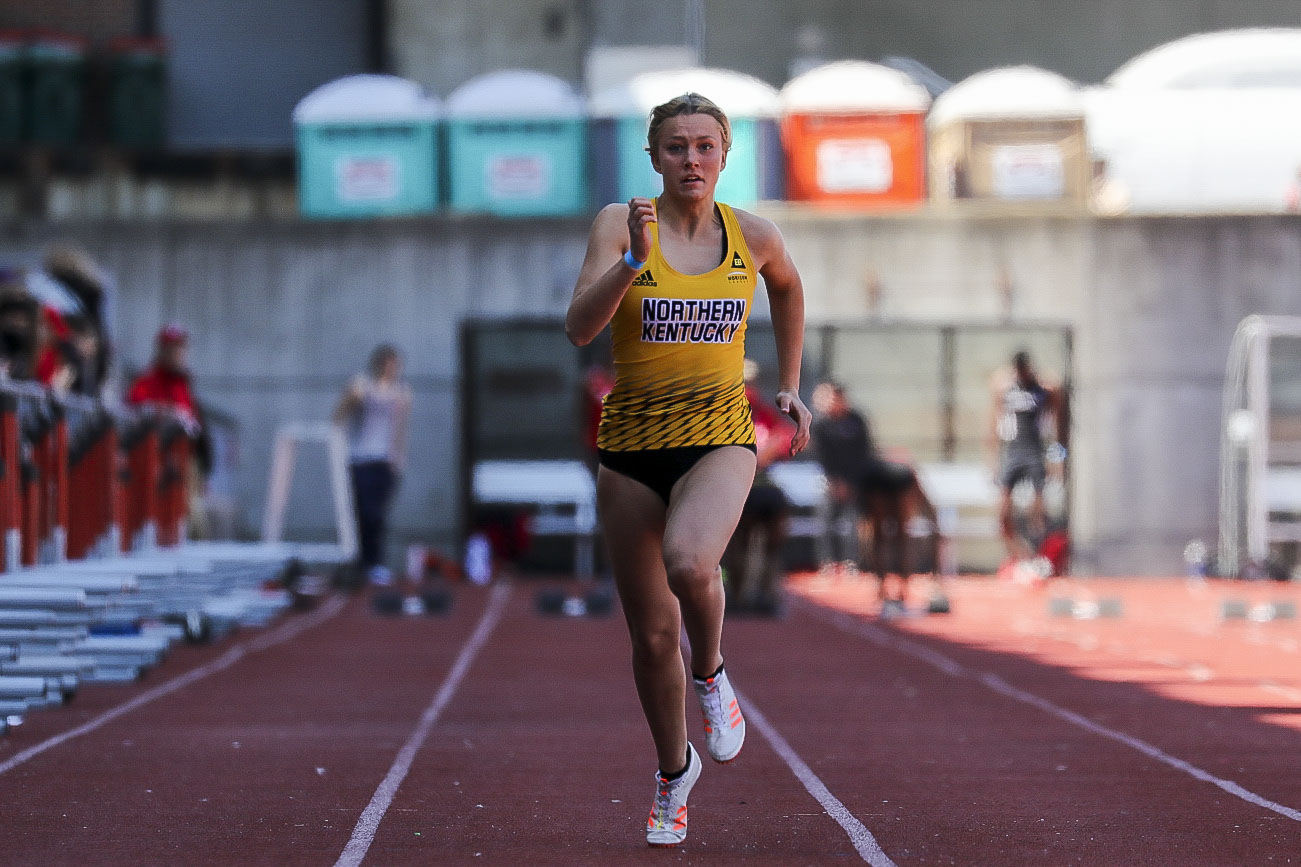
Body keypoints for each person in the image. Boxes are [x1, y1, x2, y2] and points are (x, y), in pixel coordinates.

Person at [565, 92, 812, 848]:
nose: (691, 160)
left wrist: (791, 382)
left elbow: (789, 287)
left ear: (725, 154)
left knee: (689, 562)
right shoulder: (619, 222)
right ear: (653, 156)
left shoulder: (755, 236)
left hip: (718, 438)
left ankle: (711, 673)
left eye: (705, 146)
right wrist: (634, 265)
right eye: (676, 147)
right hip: (631, 448)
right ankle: (674, 775)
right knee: (646, 639)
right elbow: (579, 328)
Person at [333, 344, 411, 587]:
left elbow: (399, 429)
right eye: (389, 364)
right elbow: (338, 416)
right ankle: (356, 561)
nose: (393, 369)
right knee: (360, 513)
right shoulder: (361, 386)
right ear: (379, 364)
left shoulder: (402, 393)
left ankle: (373, 562)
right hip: (360, 459)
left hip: (383, 461)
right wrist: (351, 398)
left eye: (396, 365)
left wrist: (398, 459)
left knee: (376, 515)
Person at [126, 324, 214, 537]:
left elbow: (197, 425)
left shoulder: (183, 382)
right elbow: (134, 412)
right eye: (173, 348)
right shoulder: (147, 382)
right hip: (159, 462)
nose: (179, 354)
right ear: (161, 350)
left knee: (195, 522)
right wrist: (165, 413)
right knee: (177, 523)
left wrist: (204, 466)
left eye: (181, 348)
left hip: (187, 463)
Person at [722, 358, 793, 616]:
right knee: (736, 541)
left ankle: (767, 592)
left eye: (750, 382)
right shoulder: (723, 413)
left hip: (761, 488)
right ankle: (737, 594)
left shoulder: (763, 411)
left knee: (774, 534)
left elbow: (784, 439)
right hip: (733, 488)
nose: (748, 387)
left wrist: (768, 451)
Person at [986, 350, 1067, 567]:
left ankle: (1038, 558)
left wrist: (1057, 459)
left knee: (1037, 511)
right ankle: (1019, 556)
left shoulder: (1042, 390)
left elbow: (1057, 418)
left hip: (1035, 451)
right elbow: (994, 423)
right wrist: (992, 460)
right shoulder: (1006, 388)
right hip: (1012, 451)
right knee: (1002, 514)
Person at [810, 382, 870, 573]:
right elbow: (820, 455)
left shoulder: (856, 420)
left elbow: (864, 452)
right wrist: (833, 480)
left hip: (853, 482)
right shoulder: (821, 424)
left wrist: (850, 481)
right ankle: (826, 562)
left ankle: (851, 562)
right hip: (828, 482)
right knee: (824, 521)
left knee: (852, 522)